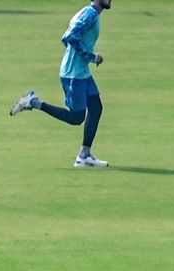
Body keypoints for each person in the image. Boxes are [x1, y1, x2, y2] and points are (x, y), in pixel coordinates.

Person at [8, 0, 111, 168]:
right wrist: (92, 57)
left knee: (96, 108)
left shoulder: (90, 13)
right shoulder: (90, 14)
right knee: (77, 118)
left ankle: (84, 155)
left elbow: (66, 37)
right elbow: (71, 37)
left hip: (81, 72)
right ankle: (34, 102)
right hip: (73, 75)